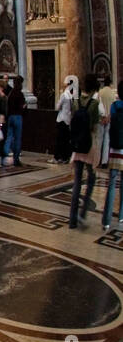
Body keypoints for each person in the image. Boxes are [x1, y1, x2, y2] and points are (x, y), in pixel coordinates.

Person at [67, 75, 100, 229]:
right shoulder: (94, 104)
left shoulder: (75, 102)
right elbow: (93, 126)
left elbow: (72, 121)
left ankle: (72, 220)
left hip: (77, 145)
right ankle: (82, 213)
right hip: (88, 144)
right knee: (92, 178)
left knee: (77, 182)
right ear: (94, 89)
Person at [101, 87, 123, 233]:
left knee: (111, 184)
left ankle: (106, 220)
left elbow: (107, 122)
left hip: (114, 149)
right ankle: (121, 215)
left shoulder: (114, 106)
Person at [53, 76, 76, 163]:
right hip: (68, 119)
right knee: (66, 139)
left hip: (62, 119)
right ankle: (65, 157)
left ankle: (57, 157)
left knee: (60, 139)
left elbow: (57, 107)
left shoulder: (64, 94)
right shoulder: (72, 95)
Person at [4, 75, 25, 166]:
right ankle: (16, 159)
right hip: (17, 117)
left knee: (9, 137)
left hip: (10, 117)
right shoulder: (20, 94)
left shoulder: (11, 93)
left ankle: (4, 156)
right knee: (17, 139)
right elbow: (22, 106)